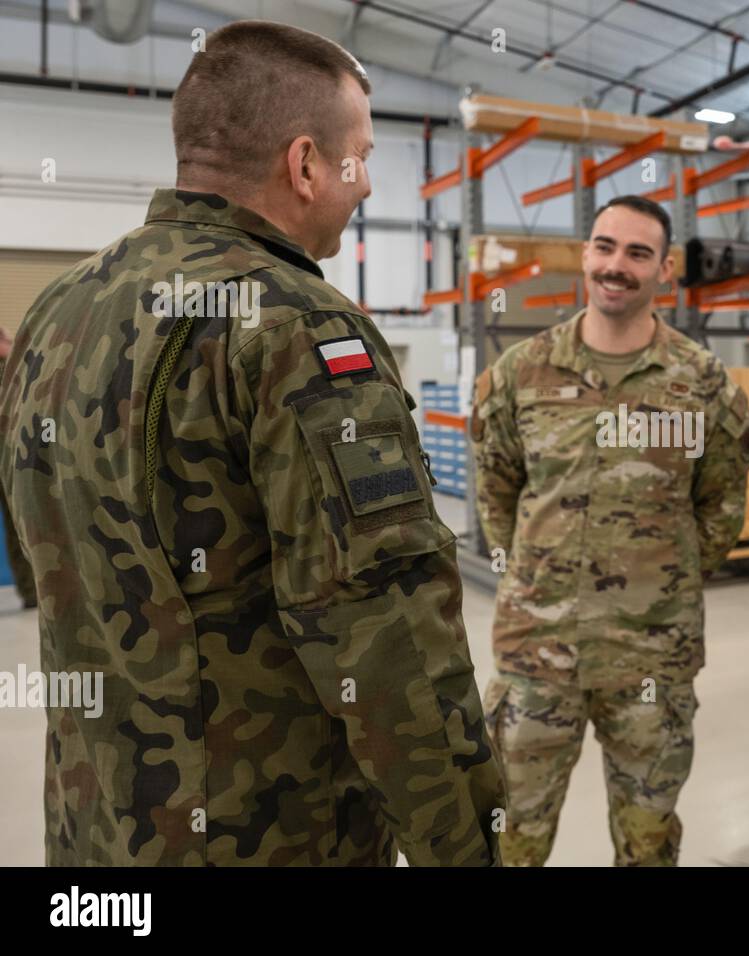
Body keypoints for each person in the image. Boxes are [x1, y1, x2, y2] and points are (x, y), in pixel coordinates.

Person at [0, 20, 503, 866]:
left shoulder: (59, 309)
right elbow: (387, 638)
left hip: (95, 831)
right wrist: (472, 844)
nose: (368, 184)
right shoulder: (296, 327)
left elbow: (36, 549)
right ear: (305, 164)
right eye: (360, 158)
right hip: (262, 832)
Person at [471, 195, 749, 865]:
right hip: (537, 654)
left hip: (652, 659)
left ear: (665, 267)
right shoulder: (520, 375)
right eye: (604, 247)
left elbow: (719, 507)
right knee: (510, 839)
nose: (615, 266)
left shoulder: (702, 384)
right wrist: (541, 577)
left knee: (648, 842)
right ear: (586, 257)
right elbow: (497, 493)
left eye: (636, 252)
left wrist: (664, 581)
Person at [0, 329, 37, 609]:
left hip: (10, 449)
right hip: (10, 450)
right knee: (19, 520)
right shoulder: (12, 363)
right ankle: (30, 591)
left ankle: (30, 591)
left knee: (18, 522)